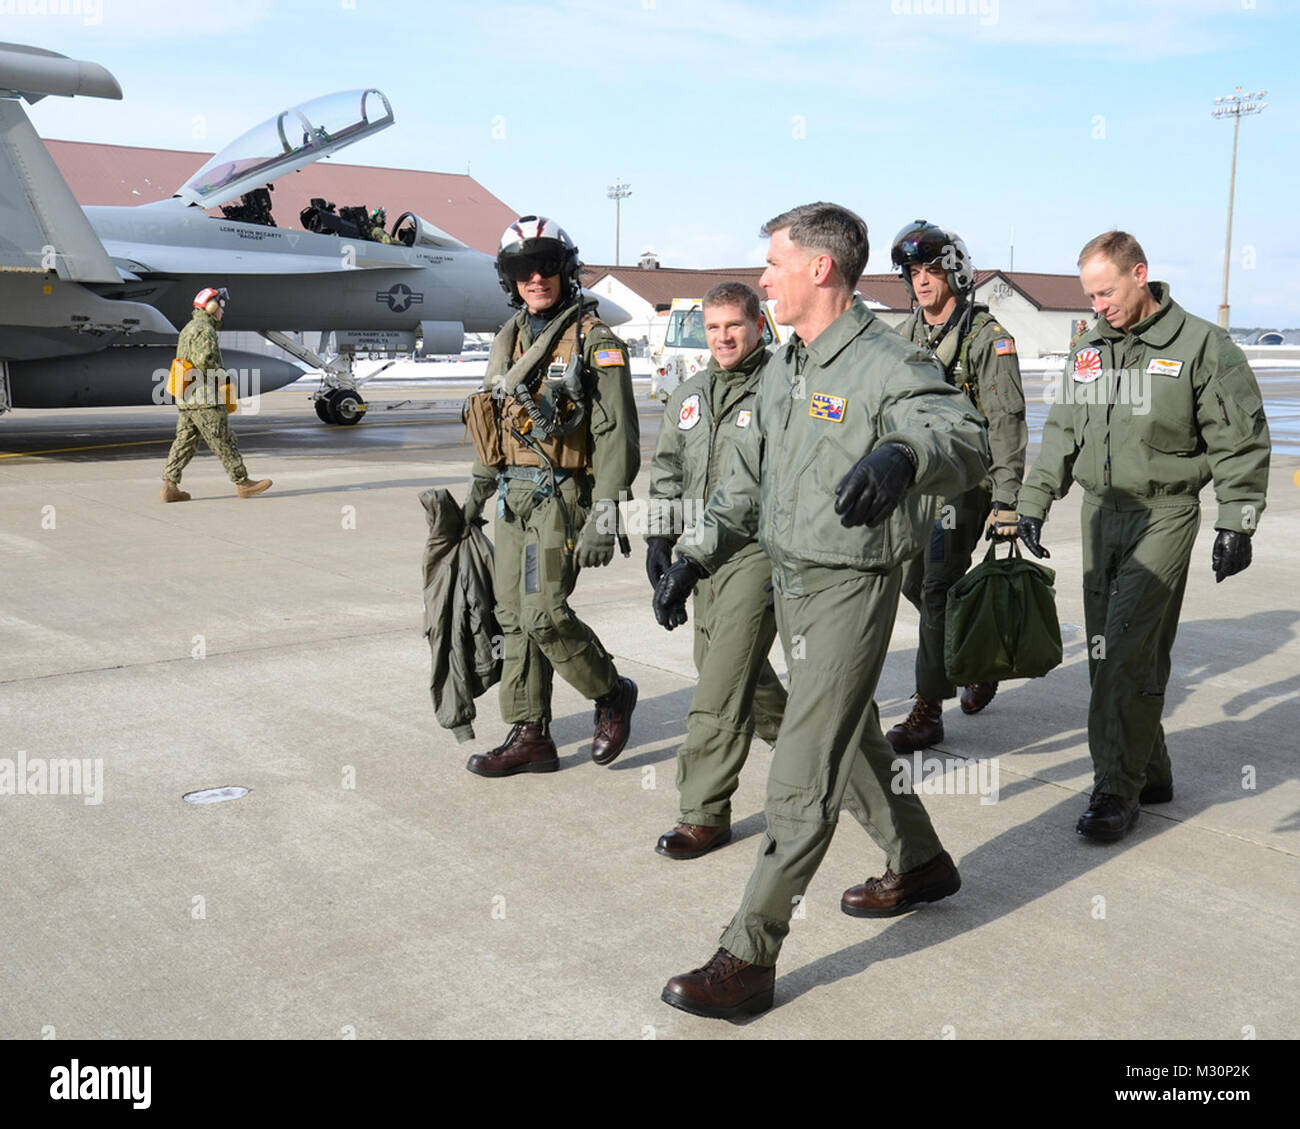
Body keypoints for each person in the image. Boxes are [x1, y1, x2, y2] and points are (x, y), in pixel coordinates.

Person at [652, 203, 990, 1018]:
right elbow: (743, 476)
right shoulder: (786, 366)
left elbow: (965, 433)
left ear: (819, 269)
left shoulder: (882, 360)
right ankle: (920, 862)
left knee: (803, 766)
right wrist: (693, 552)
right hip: (789, 578)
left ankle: (748, 953)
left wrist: (905, 453)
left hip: (849, 584)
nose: (763, 277)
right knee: (853, 737)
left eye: (773, 262)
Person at [1017, 231, 1270, 842]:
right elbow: (1062, 428)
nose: (1097, 305)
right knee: (1112, 648)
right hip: (1101, 514)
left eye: (1105, 292)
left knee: (1125, 648)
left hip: (1165, 512)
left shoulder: (1202, 346)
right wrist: (1033, 500)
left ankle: (1115, 790)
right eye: (1089, 295)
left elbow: (1239, 438)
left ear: (1140, 274)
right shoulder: (1090, 348)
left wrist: (1237, 519)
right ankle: (1150, 770)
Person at [460, 216, 639, 777]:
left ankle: (610, 692)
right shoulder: (508, 338)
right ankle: (530, 732)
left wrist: (605, 514)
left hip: (561, 499)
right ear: (508, 279)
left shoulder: (596, 342)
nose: (535, 279)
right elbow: (494, 424)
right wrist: (477, 491)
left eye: (545, 267)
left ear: (565, 271)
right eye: (521, 270)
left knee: (542, 611)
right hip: (513, 498)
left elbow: (617, 436)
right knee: (513, 616)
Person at [646, 282, 787, 860]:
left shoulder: (783, 388)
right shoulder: (691, 393)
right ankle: (835, 757)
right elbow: (668, 468)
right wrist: (659, 533)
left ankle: (703, 812)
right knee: (736, 672)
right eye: (713, 327)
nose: (724, 337)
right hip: (701, 553)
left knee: (720, 684)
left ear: (759, 326)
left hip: (757, 552)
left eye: (735, 325)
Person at [886, 221, 1028, 750]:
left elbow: (1008, 422)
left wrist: (1008, 499)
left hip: (966, 483)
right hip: (917, 484)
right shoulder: (904, 339)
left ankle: (927, 708)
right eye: (914, 272)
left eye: (930, 269)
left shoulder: (986, 339)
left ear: (954, 271)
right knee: (908, 581)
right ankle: (975, 659)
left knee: (937, 586)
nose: (922, 281)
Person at [161, 287, 271, 501]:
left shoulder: (188, 328)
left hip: (187, 398)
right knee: (224, 439)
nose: (222, 311)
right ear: (210, 307)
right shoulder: (205, 330)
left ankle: (169, 486)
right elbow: (205, 362)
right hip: (205, 398)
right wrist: (225, 377)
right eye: (221, 307)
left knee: (184, 442)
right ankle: (243, 483)